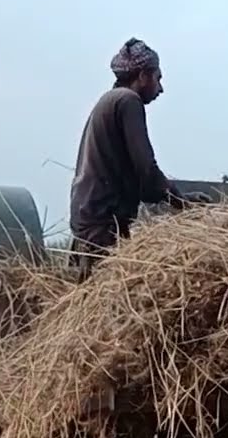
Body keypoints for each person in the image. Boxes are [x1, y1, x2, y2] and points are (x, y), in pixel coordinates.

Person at [68, 37, 211, 280]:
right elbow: (146, 167)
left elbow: (139, 177)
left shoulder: (109, 100)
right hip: (102, 226)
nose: (160, 88)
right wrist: (181, 201)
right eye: (158, 78)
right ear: (143, 76)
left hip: (89, 219)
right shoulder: (128, 101)